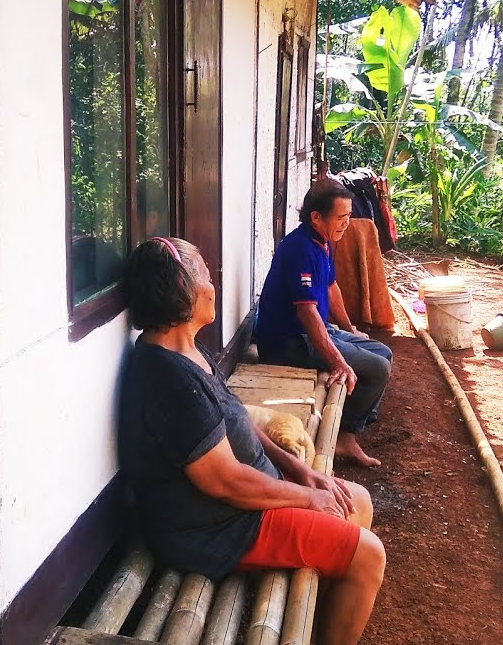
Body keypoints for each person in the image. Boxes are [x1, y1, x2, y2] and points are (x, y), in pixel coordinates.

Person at [119, 236, 386, 645]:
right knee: (369, 555)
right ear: (182, 291)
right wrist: (304, 497)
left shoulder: (187, 351)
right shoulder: (168, 379)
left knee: (358, 501)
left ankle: (326, 615)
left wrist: (298, 470)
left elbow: (235, 420)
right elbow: (224, 482)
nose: (214, 282)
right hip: (219, 527)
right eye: (206, 274)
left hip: (243, 502)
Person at [255, 179, 393, 467]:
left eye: (349, 216)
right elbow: (307, 314)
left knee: (382, 351)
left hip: (309, 332)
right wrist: (338, 361)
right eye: (341, 217)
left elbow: (331, 288)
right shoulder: (300, 249)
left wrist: (350, 328)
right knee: (378, 368)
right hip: (288, 343)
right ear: (316, 217)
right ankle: (346, 436)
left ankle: (353, 424)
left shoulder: (322, 242)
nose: (346, 223)